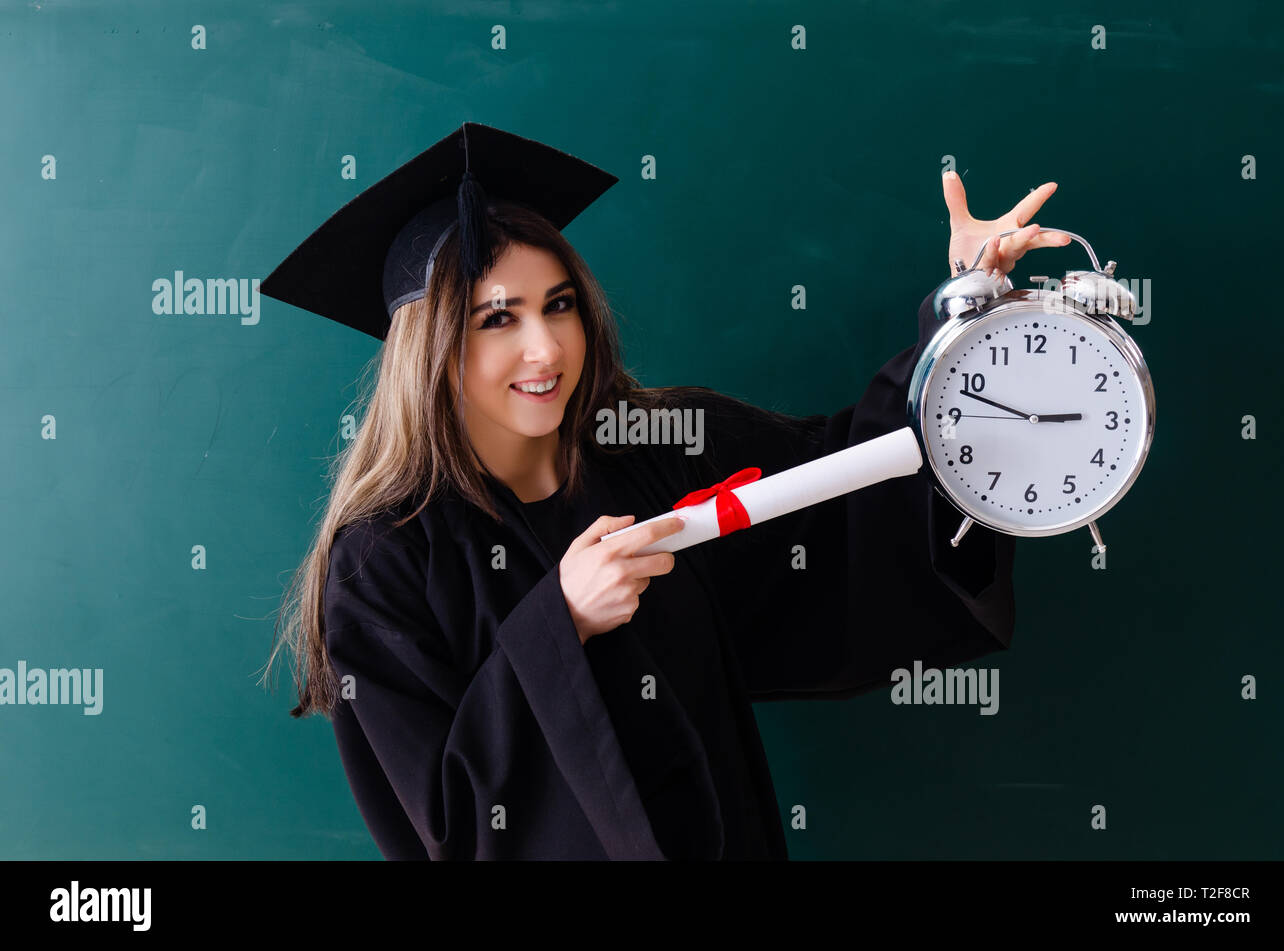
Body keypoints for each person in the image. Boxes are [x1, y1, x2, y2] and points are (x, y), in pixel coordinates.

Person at [259, 122, 1069, 860]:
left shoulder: (660, 452)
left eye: (560, 305)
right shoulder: (383, 561)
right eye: (495, 318)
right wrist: (559, 619)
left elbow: (856, 470)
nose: (545, 348)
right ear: (431, 344)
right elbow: (443, 821)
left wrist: (966, 316)